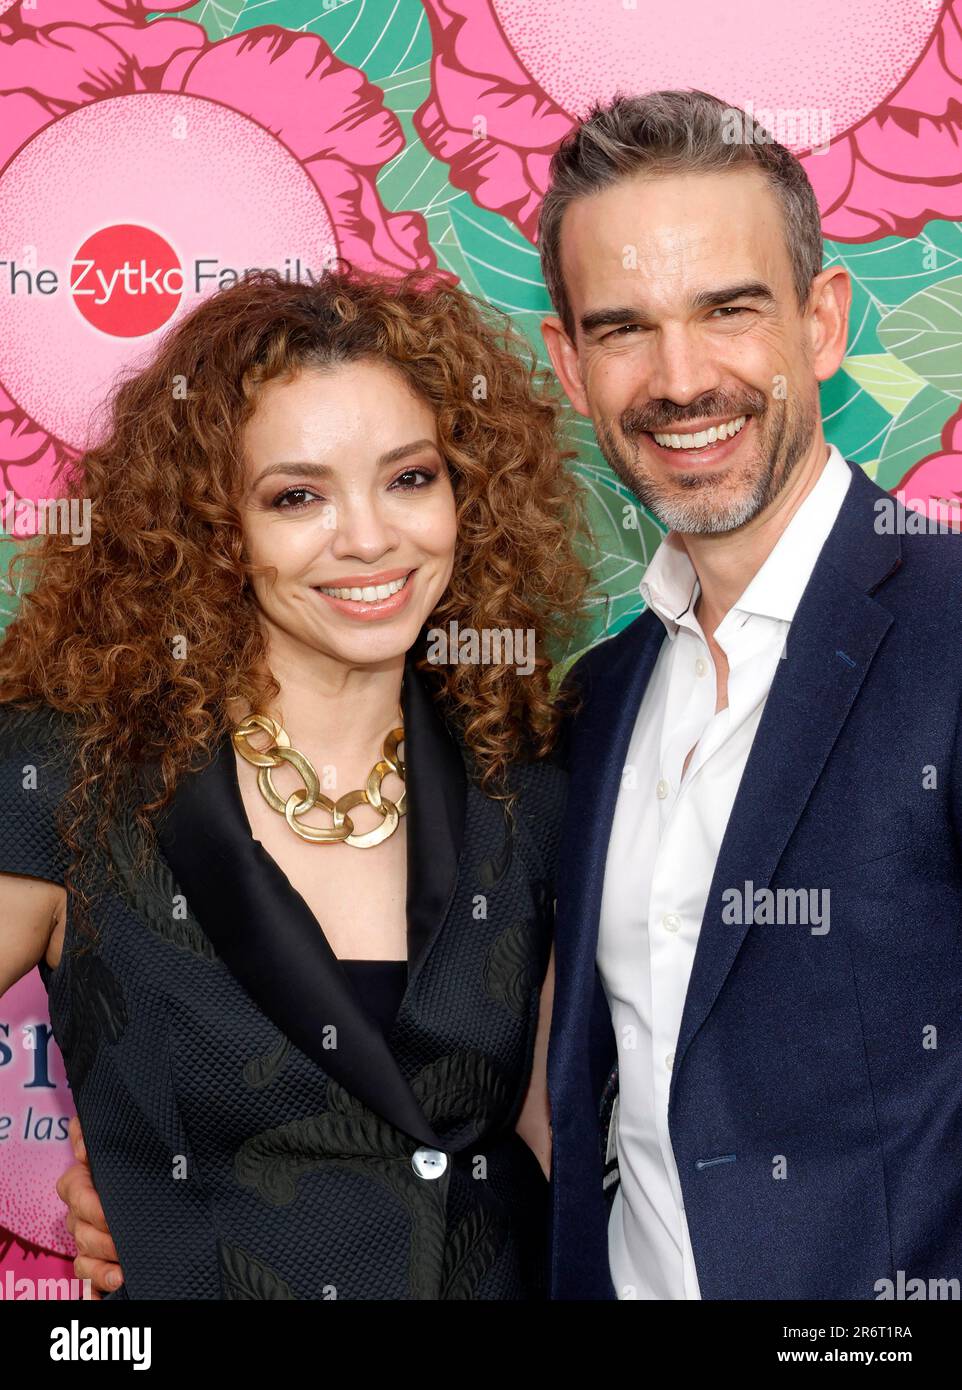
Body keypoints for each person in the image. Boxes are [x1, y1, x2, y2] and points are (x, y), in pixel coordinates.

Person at [0, 265, 590, 1300]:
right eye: (296, 495)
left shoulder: (528, 792)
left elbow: (575, 1150)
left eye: (410, 477)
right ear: (212, 527)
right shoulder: (71, 779)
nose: (368, 538)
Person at [538, 90, 962, 1299]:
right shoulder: (593, 702)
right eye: (623, 328)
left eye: (727, 310)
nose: (680, 379)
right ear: (570, 364)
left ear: (820, 322)